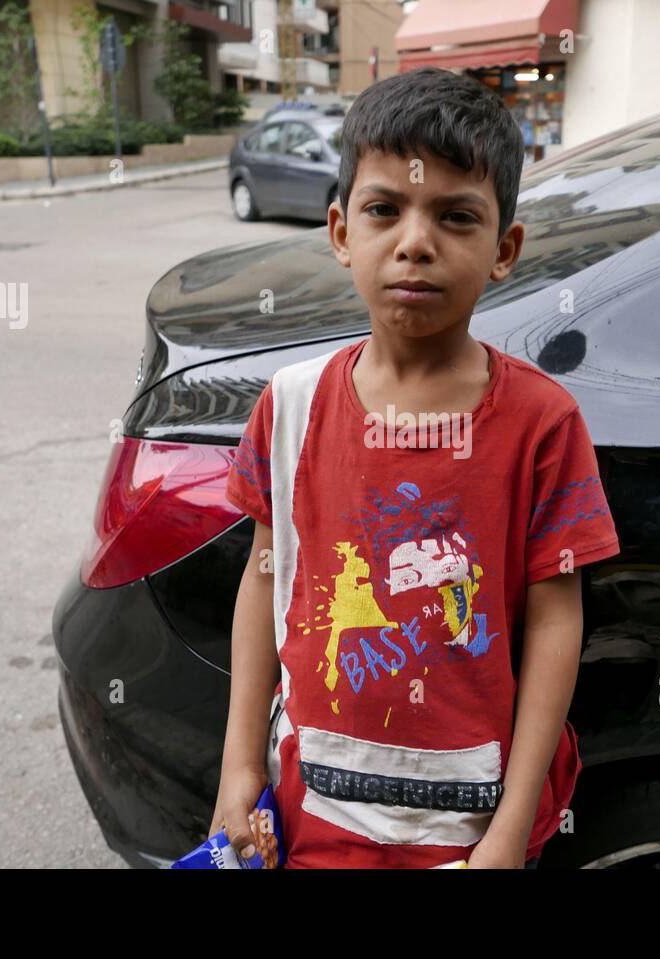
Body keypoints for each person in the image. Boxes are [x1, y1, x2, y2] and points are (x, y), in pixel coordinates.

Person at [212, 66, 622, 869]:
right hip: (315, 812)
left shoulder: (543, 423)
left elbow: (555, 620)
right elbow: (264, 580)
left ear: (504, 249)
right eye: (383, 210)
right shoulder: (290, 407)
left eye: (455, 216)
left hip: (471, 826)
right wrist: (238, 767)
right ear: (341, 234)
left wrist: (505, 835)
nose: (414, 241)